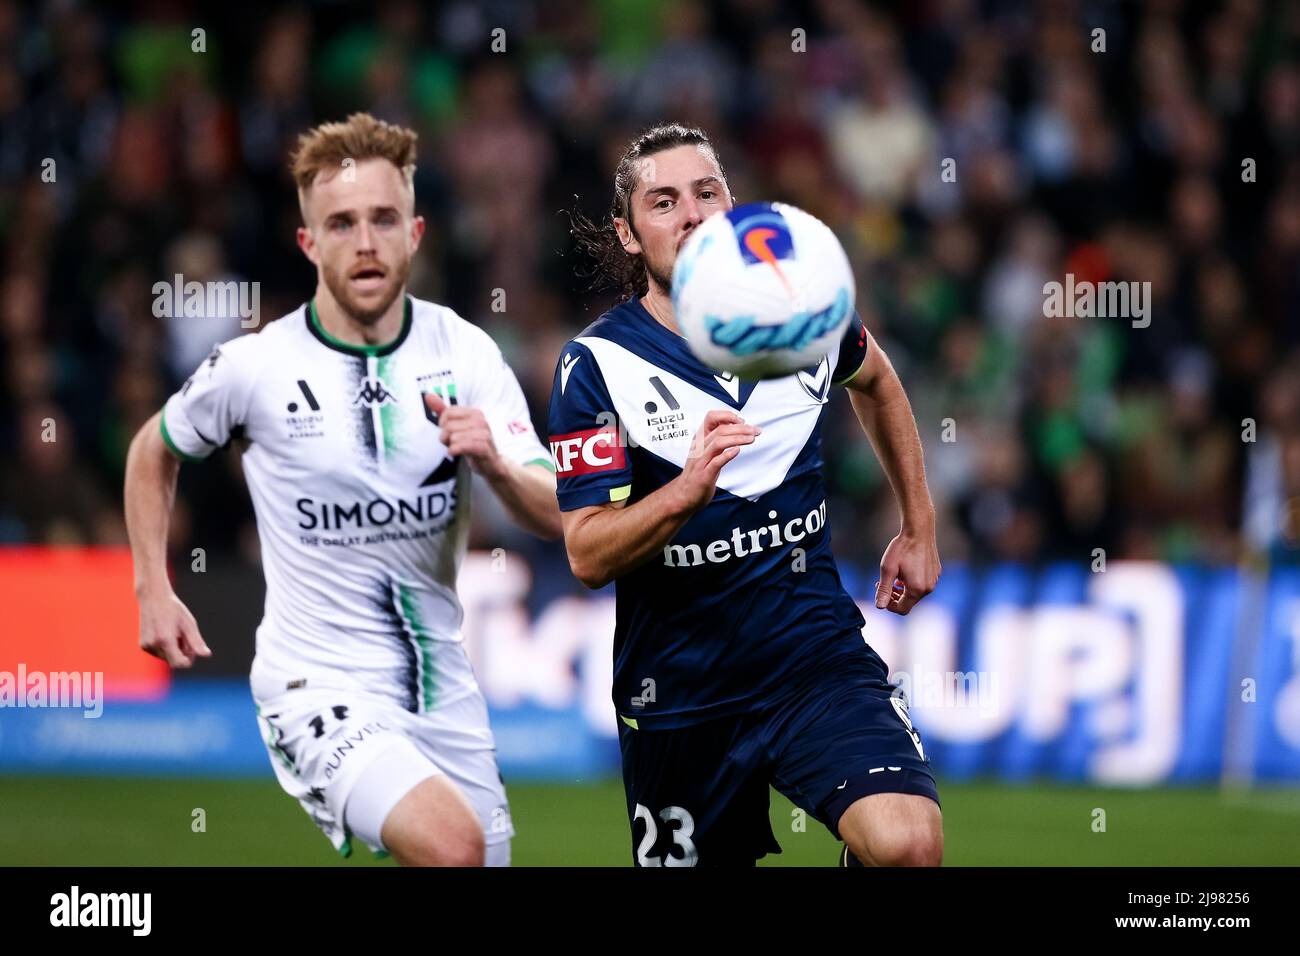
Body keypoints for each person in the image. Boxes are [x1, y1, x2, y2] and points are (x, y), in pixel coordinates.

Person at [124, 113, 561, 866]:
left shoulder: (467, 352)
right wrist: (151, 586)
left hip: (444, 686)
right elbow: (151, 450)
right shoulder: (255, 367)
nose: (365, 242)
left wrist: (494, 464)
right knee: (452, 848)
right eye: (342, 223)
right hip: (315, 682)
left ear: (415, 234)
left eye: (384, 220)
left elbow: (560, 514)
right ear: (309, 242)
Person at [550, 123, 943, 866]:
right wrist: (681, 495)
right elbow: (586, 553)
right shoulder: (596, 367)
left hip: (813, 663)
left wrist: (919, 528)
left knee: (908, 847)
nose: (692, 214)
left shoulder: (800, 314)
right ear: (628, 235)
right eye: (663, 202)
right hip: (681, 697)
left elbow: (879, 381)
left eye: (707, 192)